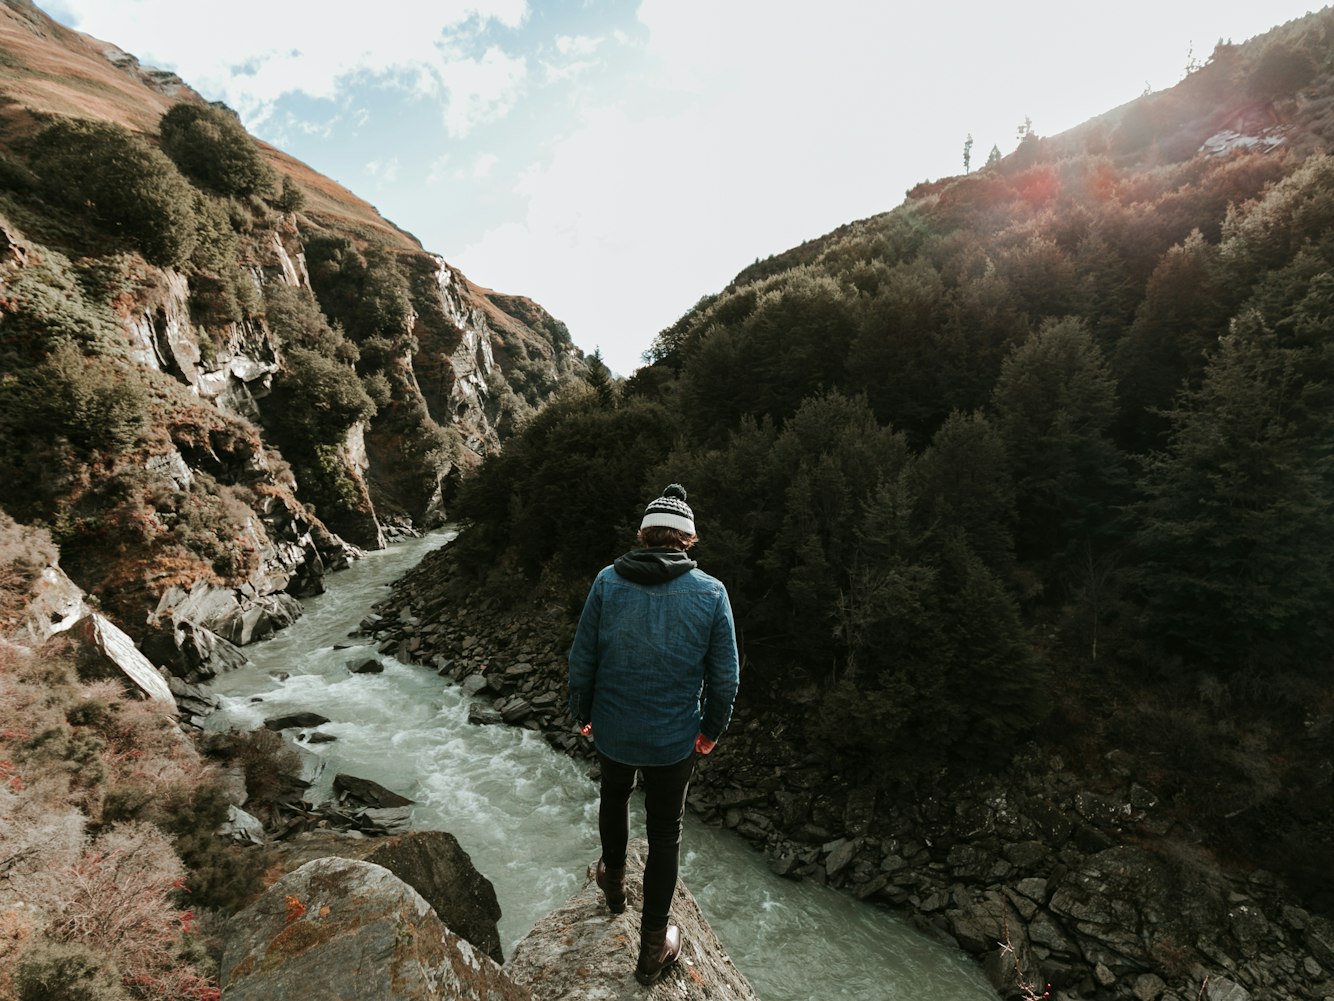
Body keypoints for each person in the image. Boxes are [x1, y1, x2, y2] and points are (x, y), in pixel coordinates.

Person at [567, 483, 741, 986]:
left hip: (615, 727)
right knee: (666, 833)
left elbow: (583, 660)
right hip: (674, 738)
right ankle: (652, 948)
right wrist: (711, 729)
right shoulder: (711, 592)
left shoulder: (607, 581)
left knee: (614, 796)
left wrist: (583, 712)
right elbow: (725, 677)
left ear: (643, 535)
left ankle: (613, 886)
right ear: (687, 540)